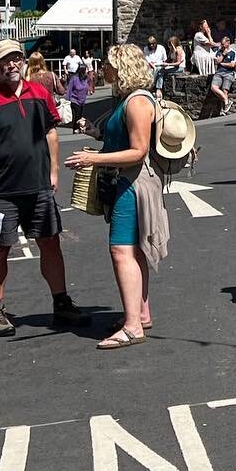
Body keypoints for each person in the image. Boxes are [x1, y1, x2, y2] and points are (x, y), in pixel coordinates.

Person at [0, 41, 84, 338]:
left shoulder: (40, 93)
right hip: (1, 191)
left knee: (50, 243)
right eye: (5, 60)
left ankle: (61, 302)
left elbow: (50, 132)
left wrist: (54, 171)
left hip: (38, 187)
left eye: (16, 58)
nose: (12, 65)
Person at [65, 44, 169, 349]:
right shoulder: (128, 99)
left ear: (120, 67)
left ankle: (133, 325)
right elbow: (121, 140)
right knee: (135, 251)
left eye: (107, 64)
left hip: (132, 184)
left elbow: (138, 152)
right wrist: (96, 135)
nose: (102, 68)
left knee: (121, 251)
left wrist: (92, 159)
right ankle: (141, 314)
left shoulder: (136, 102)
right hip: (128, 181)